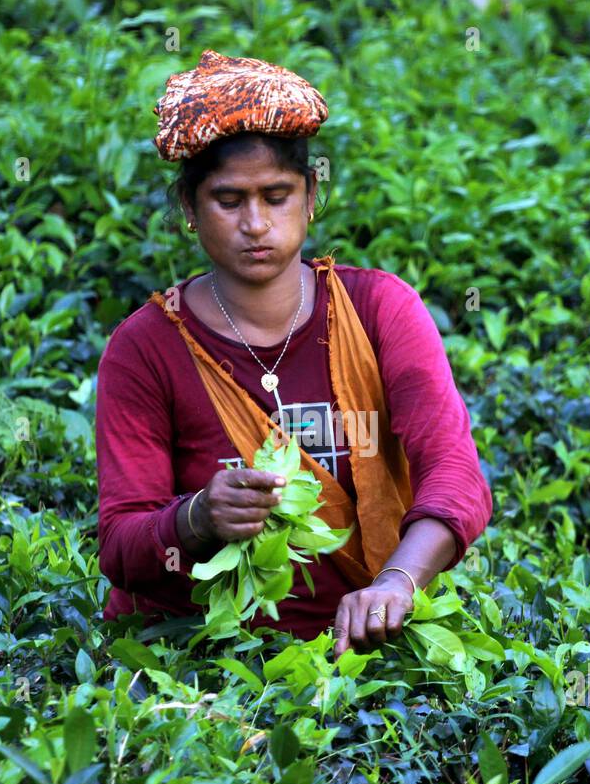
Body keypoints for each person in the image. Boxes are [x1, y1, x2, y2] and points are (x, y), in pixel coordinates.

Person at [95, 49, 492, 658]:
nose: (256, 223)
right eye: (229, 202)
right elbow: (121, 545)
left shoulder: (381, 311)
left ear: (310, 198)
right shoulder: (144, 348)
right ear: (188, 212)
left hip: (366, 647)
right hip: (200, 659)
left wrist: (397, 581)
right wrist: (196, 518)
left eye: (276, 196)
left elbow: (456, 475)